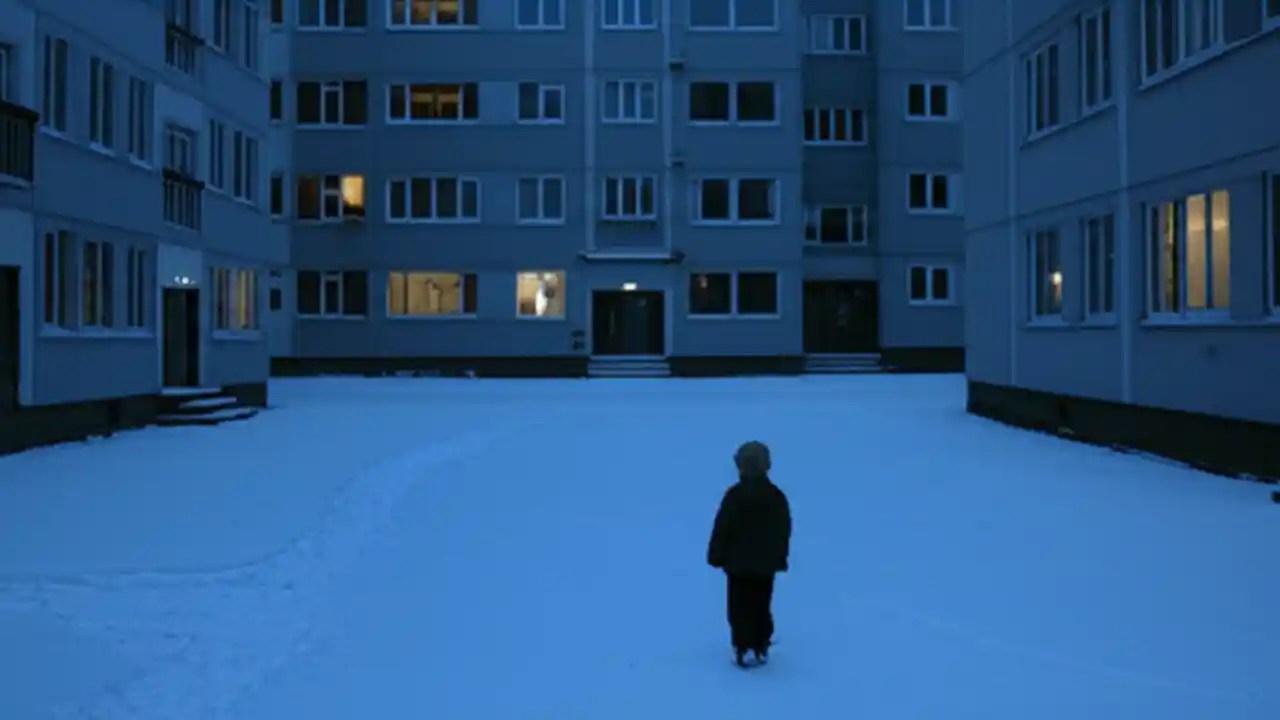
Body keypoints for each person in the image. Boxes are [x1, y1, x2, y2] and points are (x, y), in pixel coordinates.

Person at [706, 441, 792, 667]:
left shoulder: (734, 496)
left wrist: (716, 554)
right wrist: (780, 556)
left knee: (739, 606)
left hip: (737, 565)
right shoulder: (776, 496)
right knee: (761, 604)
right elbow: (783, 530)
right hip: (765, 565)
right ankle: (760, 643)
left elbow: (722, 527)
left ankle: (743, 646)